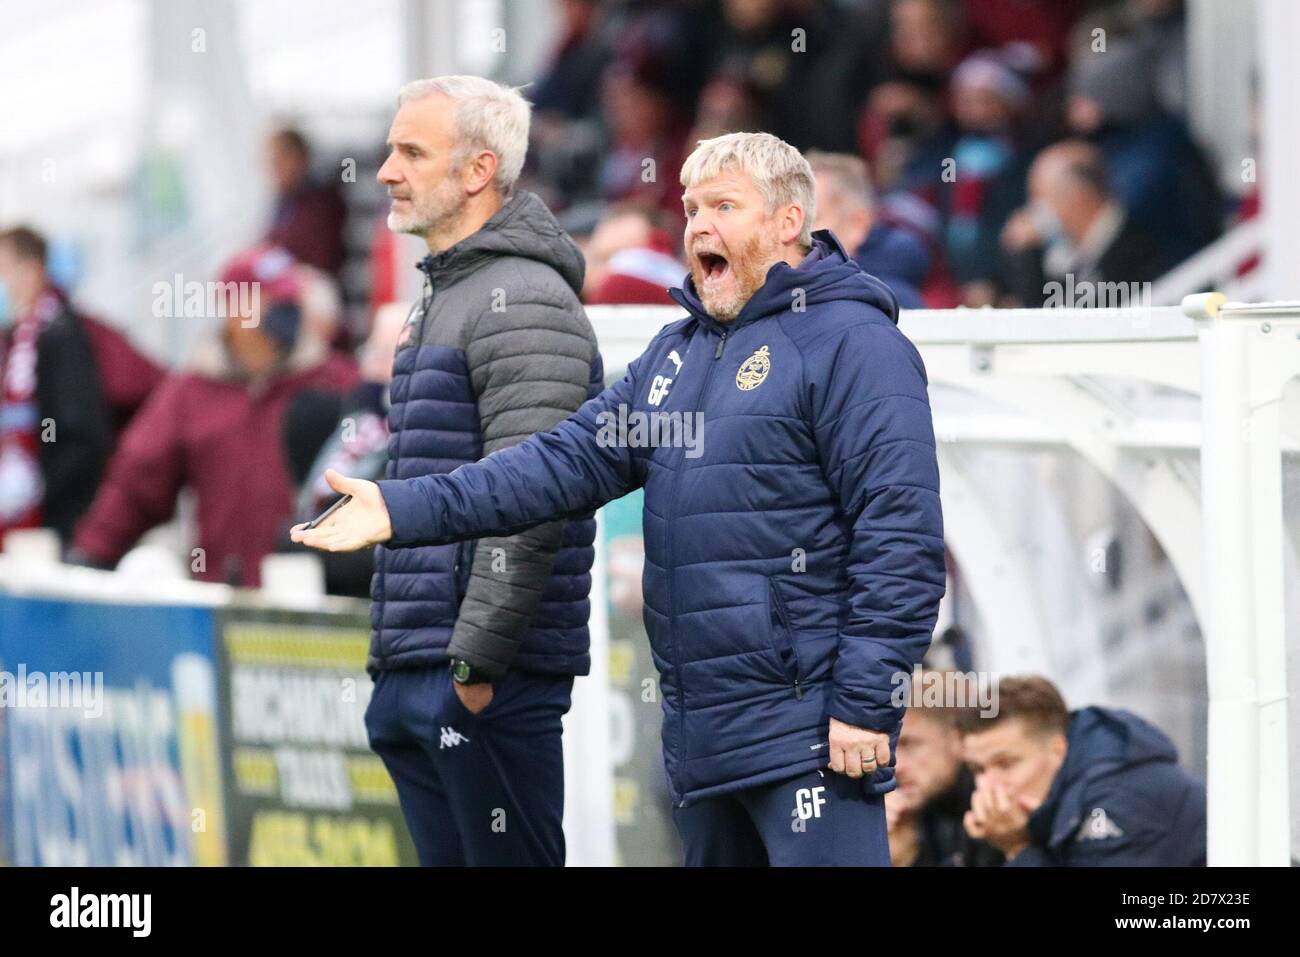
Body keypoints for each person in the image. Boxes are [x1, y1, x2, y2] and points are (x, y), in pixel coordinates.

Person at [293, 131, 947, 867]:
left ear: (787, 222)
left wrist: (863, 703)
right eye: (692, 207)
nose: (698, 224)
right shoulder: (677, 355)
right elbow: (556, 464)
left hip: (809, 735)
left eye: (724, 205)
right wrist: (400, 508)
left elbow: (901, 535)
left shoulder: (853, 343)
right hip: (704, 745)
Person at [352, 76, 602, 867]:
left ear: (478, 170)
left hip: (480, 676)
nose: (387, 170)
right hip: (423, 665)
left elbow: (535, 493)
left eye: (411, 151)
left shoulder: (522, 296)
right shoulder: (449, 292)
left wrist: (473, 666)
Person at [71, 245, 358, 586]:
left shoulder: (336, 382)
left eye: (290, 297)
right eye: (272, 299)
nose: (287, 307)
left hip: (314, 598)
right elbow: (136, 482)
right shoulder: (191, 391)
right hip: (221, 593)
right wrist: (88, 556)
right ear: (235, 310)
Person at [959, 675, 1207, 866]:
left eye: (1006, 764)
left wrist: (1017, 848)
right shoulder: (1053, 798)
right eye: (978, 769)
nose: (987, 785)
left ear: (1057, 749)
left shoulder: (1117, 800)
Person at [0, 227, 118, 548]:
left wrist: (37, 488)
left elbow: (82, 437)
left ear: (31, 272)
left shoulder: (60, 336)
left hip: (57, 525)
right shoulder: (15, 339)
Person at [999, 140, 1160, 307]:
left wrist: (1028, 258)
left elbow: (1056, 323)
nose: (1034, 213)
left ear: (1076, 195)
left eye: (1040, 199)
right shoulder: (1076, 258)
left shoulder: (1136, 250)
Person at [888, 696, 1003, 866]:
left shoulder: (1002, 801)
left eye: (909, 744)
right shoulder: (920, 812)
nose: (897, 767)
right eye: (891, 747)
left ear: (957, 739)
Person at [808, 151, 930, 309]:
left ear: (858, 224)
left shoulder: (892, 304)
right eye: (787, 220)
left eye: (811, 220)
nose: (791, 233)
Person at [265, 127, 348, 278]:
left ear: (299, 159)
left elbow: (320, 258)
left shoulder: (322, 201)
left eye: (278, 161)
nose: (273, 171)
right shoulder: (284, 201)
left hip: (313, 281)